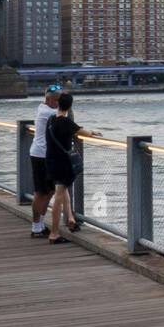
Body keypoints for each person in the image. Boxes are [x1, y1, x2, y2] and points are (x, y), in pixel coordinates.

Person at [45, 93, 101, 245]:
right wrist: (93, 133)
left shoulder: (51, 120)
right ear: (70, 106)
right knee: (58, 197)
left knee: (62, 190)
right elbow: (83, 132)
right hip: (63, 163)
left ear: (58, 104)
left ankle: (70, 219)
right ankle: (54, 233)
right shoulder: (66, 122)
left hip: (51, 161)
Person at [27, 85, 64, 238]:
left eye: (60, 100)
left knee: (49, 191)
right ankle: (36, 227)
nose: (58, 103)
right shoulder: (48, 112)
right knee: (40, 193)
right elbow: (66, 121)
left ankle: (40, 225)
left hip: (44, 155)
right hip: (41, 156)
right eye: (56, 100)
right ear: (48, 99)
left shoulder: (42, 107)